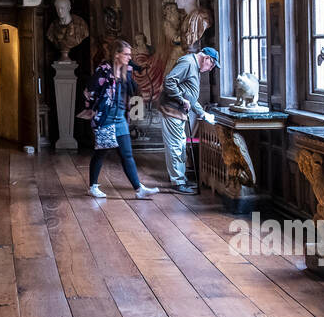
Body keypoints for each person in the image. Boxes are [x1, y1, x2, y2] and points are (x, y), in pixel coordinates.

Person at [78, 39, 158, 199]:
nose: (130, 57)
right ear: (117, 55)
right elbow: (88, 91)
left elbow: (130, 83)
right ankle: (93, 187)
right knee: (101, 152)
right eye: (126, 54)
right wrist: (92, 109)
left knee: (127, 154)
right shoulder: (104, 71)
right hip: (105, 117)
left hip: (120, 117)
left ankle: (138, 189)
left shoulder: (126, 70)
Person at [159, 44, 219, 194]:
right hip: (172, 109)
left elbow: (189, 96)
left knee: (179, 145)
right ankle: (177, 182)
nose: (211, 69)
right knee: (175, 146)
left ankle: (181, 179)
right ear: (206, 58)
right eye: (212, 64)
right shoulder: (188, 63)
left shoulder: (194, 65)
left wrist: (202, 113)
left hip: (178, 111)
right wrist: (180, 99)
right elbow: (169, 81)